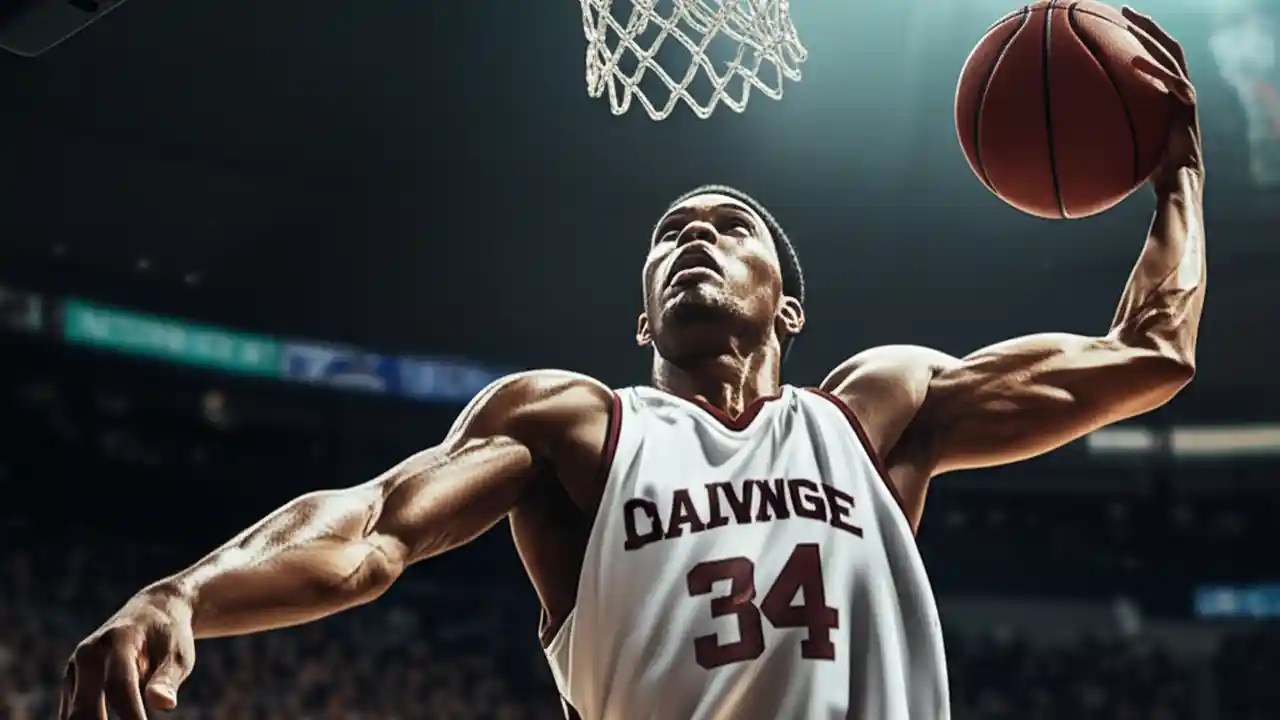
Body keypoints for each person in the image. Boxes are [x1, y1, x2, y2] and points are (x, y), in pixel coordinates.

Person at [58, 10, 1204, 720]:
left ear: (789, 303)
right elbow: (368, 533)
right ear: (641, 315)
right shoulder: (574, 430)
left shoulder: (876, 414)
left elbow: (1148, 352)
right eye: (667, 233)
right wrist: (183, 594)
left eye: (726, 224)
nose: (691, 235)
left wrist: (1177, 174)